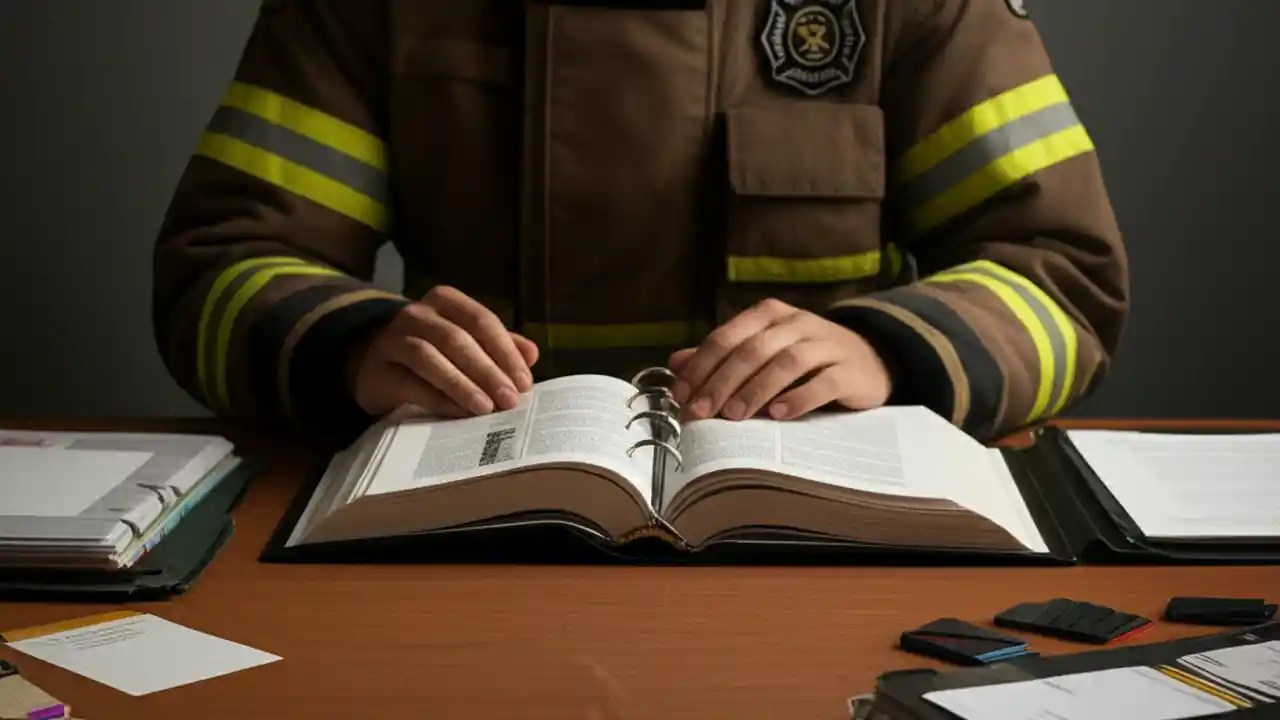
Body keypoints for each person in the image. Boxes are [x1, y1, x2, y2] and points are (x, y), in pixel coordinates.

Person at [151, 0, 1129, 446]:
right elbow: (223, 270)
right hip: (465, 510)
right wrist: (351, 345)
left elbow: (1059, 279)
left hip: (817, 526)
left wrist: (889, 354)